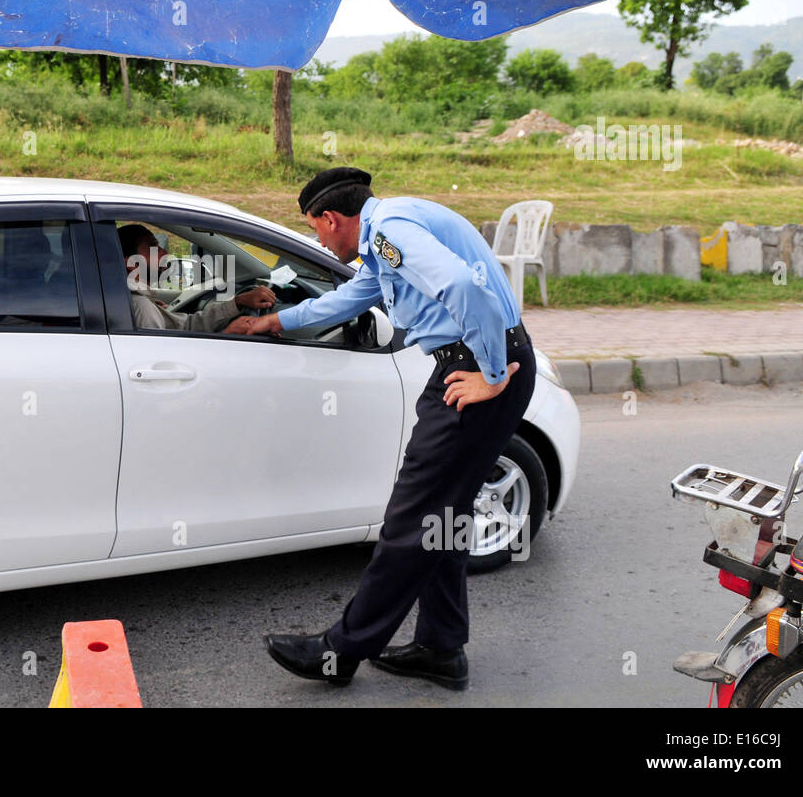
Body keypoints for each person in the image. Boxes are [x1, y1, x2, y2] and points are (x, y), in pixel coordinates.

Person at [229, 168, 536, 690]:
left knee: (410, 517)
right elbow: (347, 301)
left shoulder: (391, 228)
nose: (316, 239)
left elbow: (463, 285)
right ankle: (441, 648)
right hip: (472, 364)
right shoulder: (385, 241)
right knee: (441, 516)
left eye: (314, 228)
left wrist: (489, 376)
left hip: (481, 371)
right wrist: (272, 323)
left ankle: (340, 650)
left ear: (331, 218)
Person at [117, 224, 276, 331]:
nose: (165, 253)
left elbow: (186, 325)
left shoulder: (136, 302)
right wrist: (229, 333)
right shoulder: (141, 307)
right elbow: (162, 362)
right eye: (153, 247)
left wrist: (237, 302)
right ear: (131, 263)